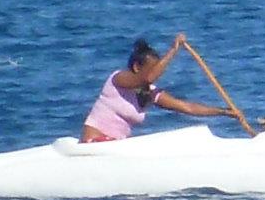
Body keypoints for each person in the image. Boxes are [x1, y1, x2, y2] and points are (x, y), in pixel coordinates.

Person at [80, 34, 236, 142]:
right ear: (136, 67)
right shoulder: (118, 78)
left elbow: (187, 107)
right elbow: (148, 77)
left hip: (115, 147)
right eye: (152, 68)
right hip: (93, 144)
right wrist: (174, 49)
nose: (157, 72)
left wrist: (224, 112)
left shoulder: (149, 92)